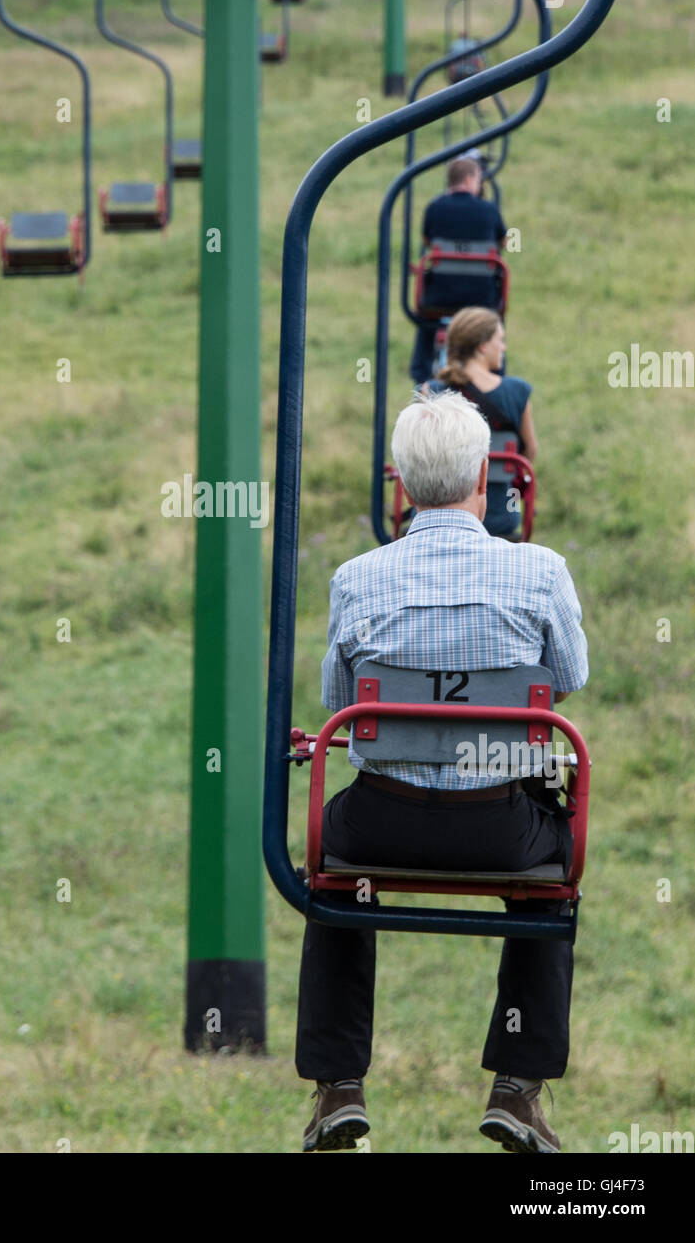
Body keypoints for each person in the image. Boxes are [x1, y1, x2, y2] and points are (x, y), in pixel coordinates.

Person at [298, 390, 588, 1154]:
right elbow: (570, 674)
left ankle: (338, 1086)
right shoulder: (538, 571)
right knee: (552, 877)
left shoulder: (358, 578)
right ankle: (516, 1090)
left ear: (398, 480)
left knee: (333, 871)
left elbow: (338, 703)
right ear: (484, 473)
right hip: (498, 831)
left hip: (380, 822)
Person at [423, 305, 536, 540]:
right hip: (502, 516)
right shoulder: (517, 392)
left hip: (435, 518)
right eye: (500, 340)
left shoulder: (430, 391)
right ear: (483, 346)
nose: (503, 347)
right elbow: (529, 453)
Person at [411, 155, 507, 384]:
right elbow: (502, 242)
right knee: (495, 320)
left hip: (439, 298)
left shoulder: (434, 208)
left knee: (426, 323)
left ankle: (421, 375)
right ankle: (496, 378)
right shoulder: (489, 210)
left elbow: (427, 241)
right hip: (481, 298)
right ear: (469, 178)